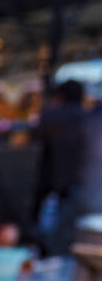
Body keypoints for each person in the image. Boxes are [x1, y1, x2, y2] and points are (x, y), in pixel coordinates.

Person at [34, 78, 88, 254]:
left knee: (54, 235)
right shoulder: (88, 119)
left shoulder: (51, 117)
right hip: (81, 185)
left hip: (54, 186)